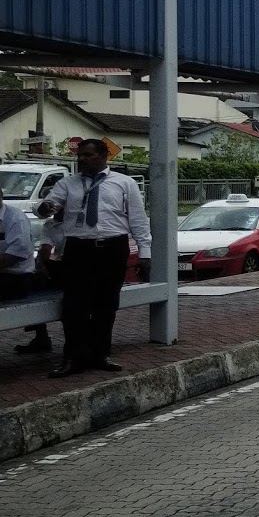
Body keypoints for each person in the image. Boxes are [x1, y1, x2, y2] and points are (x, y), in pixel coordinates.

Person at [35, 139, 152, 378]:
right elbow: (48, 206)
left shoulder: (124, 183)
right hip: (78, 248)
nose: (82, 159)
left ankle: (101, 354)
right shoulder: (67, 183)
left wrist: (145, 253)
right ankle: (73, 357)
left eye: (88, 155)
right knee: (74, 305)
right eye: (80, 156)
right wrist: (45, 208)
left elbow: (138, 220)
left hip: (112, 247)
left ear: (103, 156)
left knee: (106, 304)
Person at [2, 199, 43, 352]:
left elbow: (17, 254)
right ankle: (42, 338)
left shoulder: (15, 218)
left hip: (18, 277)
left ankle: (42, 338)